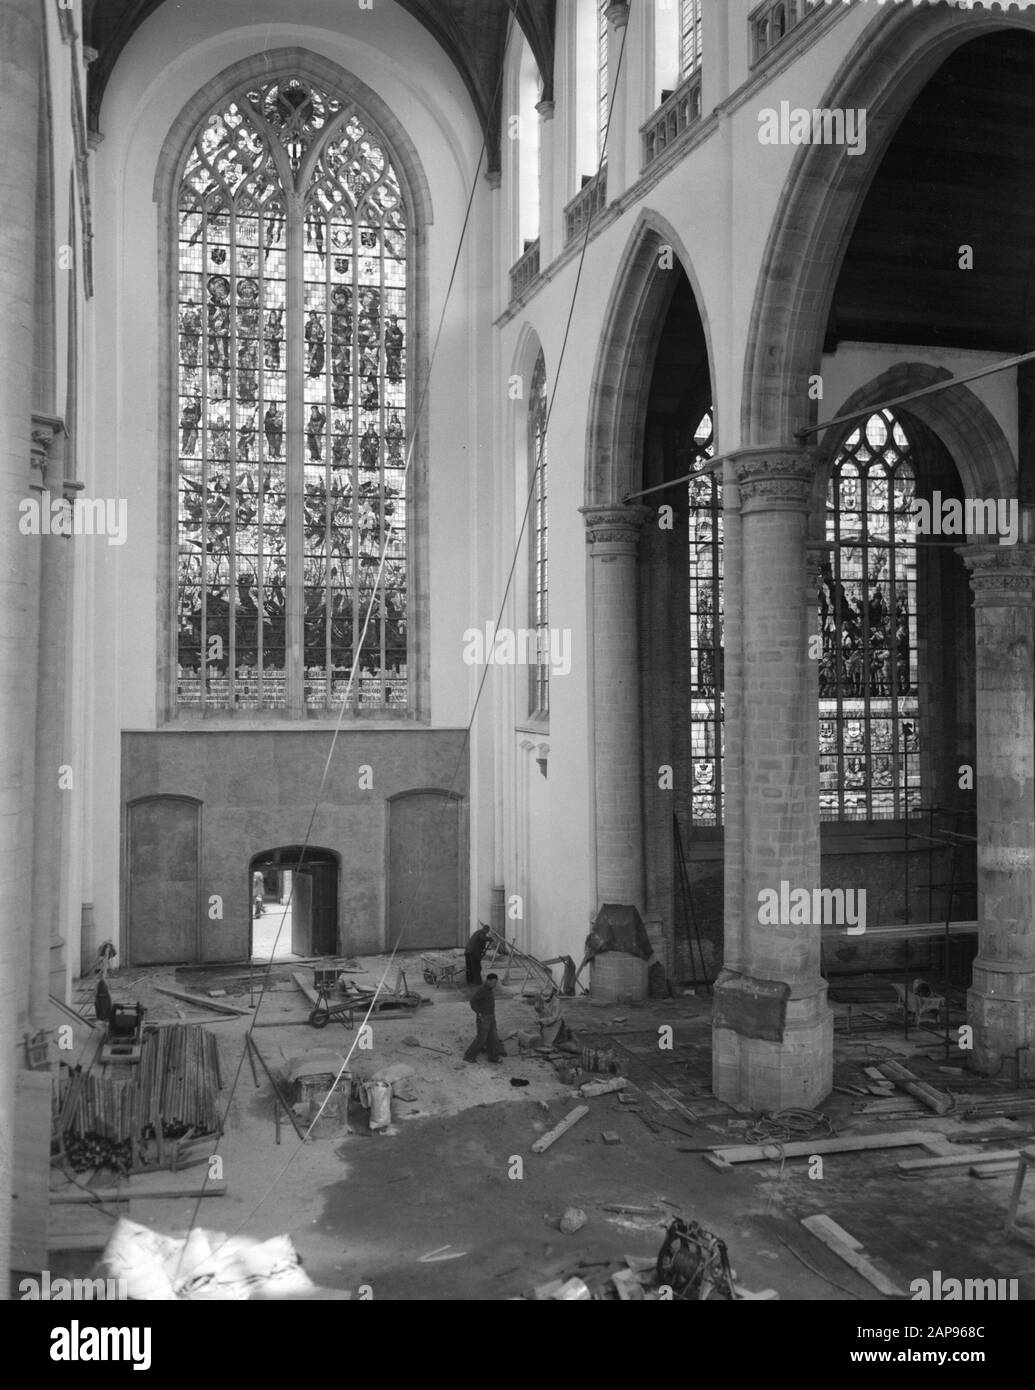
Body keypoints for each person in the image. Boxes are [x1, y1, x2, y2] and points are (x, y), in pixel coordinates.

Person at [464, 973, 505, 1063]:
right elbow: (473, 1001)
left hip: (491, 1017)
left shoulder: (489, 990)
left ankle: (493, 1057)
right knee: (481, 1039)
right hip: (484, 1018)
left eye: (496, 983)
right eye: (493, 982)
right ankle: (469, 1056)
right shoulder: (482, 990)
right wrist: (478, 1012)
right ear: (488, 981)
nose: (494, 985)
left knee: (493, 1037)